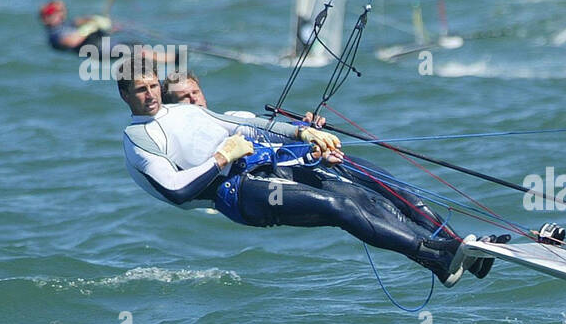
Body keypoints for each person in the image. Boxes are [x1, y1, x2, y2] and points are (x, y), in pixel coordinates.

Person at [117, 62, 502, 286]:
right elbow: (175, 191)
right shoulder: (138, 139)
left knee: (361, 192)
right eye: (141, 90)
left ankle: (454, 253)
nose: (150, 95)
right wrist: (219, 159)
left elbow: (253, 127)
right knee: (338, 204)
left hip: (269, 167)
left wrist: (305, 132)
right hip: (236, 192)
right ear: (126, 96)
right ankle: (438, 255)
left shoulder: (192, 114)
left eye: (152, 86)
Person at [160, 70, 327, 127]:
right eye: (184, 97)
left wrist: (304, 126)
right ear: (172, 107)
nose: (193, 99)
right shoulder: (177, 140)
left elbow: (272, 130)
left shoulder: (235, 116)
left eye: (195, 92)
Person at [39, 0, 112, 52]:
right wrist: (88, 29)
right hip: (96, 51)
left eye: (60, 11)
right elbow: (72, 41)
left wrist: (95, 20)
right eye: (52, 12)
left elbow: (80, 21)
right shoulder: (54, 35)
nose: (59, 14)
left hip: (104, 43)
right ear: (45, 18)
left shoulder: (67, 24)